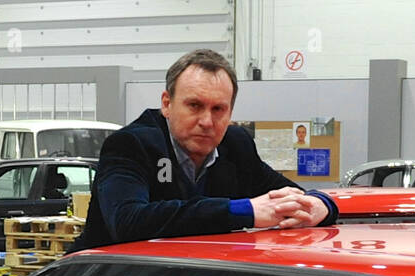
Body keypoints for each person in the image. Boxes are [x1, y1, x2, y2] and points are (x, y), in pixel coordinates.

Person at [71, 49, 337, 251]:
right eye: (195, 106)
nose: (207, 122)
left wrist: (319, 205)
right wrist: (244, 211)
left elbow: (288, 193)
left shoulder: (236, 145)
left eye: (218, 109)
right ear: (167, 104)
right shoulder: (131, 145)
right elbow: (129, 221)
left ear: (231, 111)